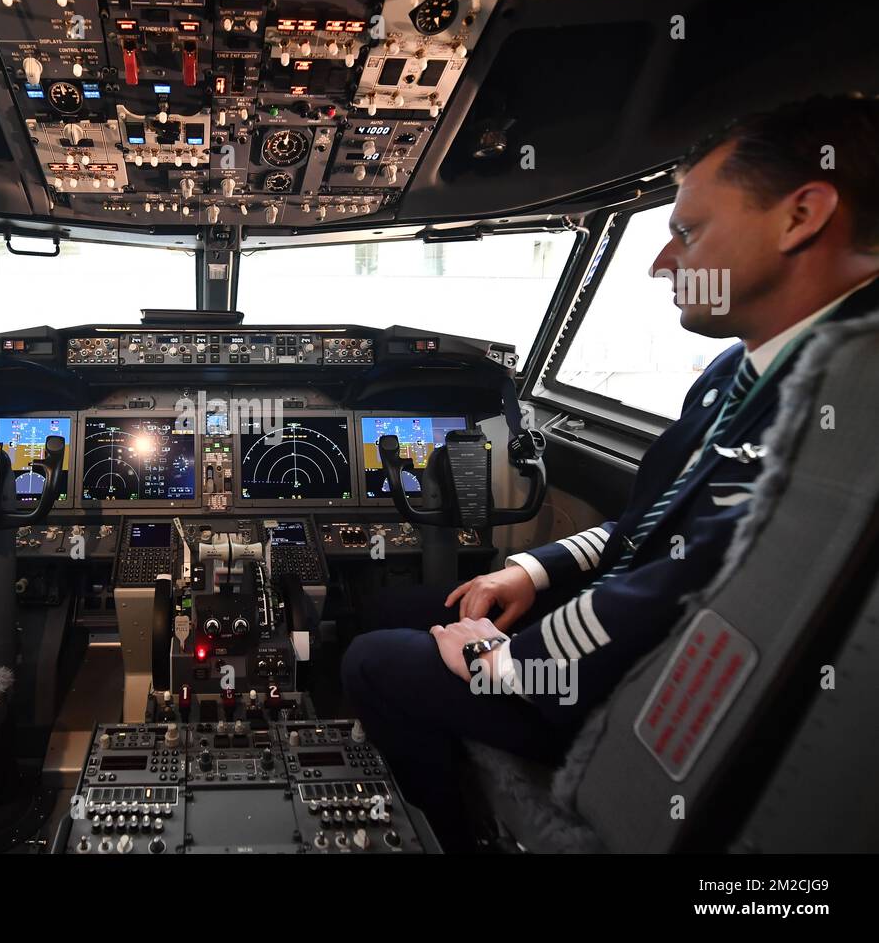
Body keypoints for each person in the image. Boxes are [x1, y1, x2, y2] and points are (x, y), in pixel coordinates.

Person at [342, 94, 879, 849]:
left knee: (373, 659)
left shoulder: (843, 397)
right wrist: (531, 568)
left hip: (655, 688)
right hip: (634, 635)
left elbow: (685, 590)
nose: (663, 263)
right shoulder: (740, 371)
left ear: (802, 215)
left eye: (687, 233)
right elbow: (660, 524)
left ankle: (459, 836)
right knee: (401, 608)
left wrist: (507, 661)